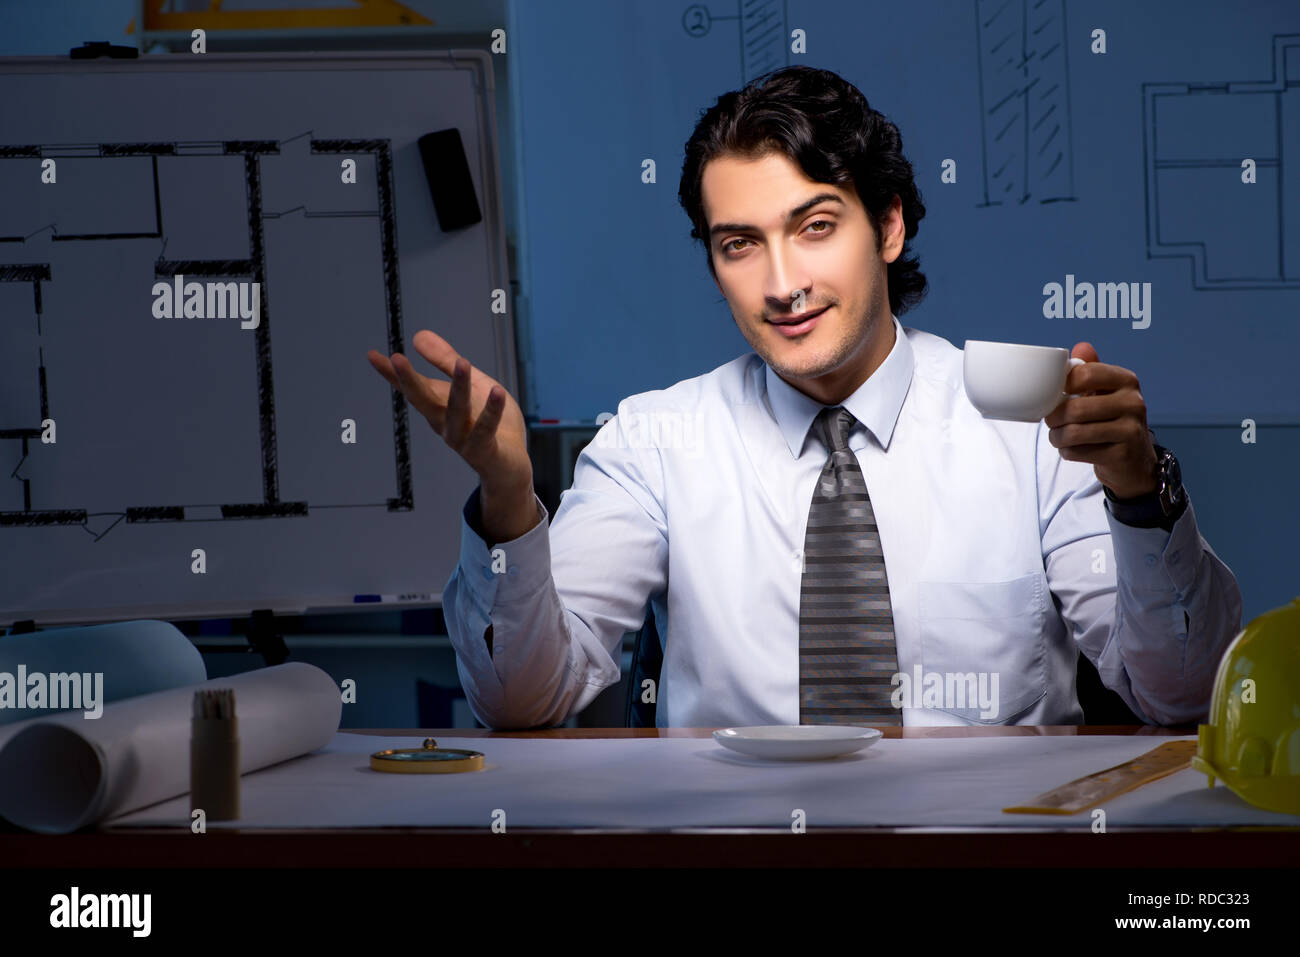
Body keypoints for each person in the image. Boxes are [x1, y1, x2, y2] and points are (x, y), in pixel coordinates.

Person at [367, 66, 1242, 730]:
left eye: (815, 226)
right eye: (740, 244)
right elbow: (523, 703)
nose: (782, 283)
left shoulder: (1028, 425)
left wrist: (1137, 489)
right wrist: (512, 500)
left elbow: (1180, 692)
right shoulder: (657, 440)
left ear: (889, 226)